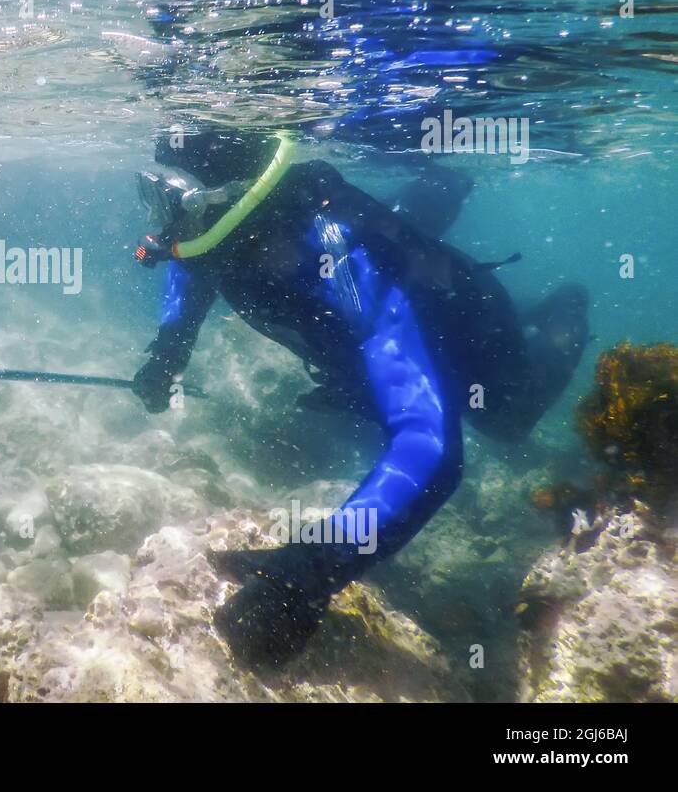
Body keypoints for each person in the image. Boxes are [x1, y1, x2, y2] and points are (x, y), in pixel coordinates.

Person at [131, 127, 589, 666]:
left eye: (169, 199)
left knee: (506, 422)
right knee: (363, 402)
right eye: (154, 191)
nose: (161, 224)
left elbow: (430, 447)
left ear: (231, 200)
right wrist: (168, 351)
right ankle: (439, 195)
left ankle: (563, 314)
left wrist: (310, 571)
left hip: (469, 338)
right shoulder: (218, 235)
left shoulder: (347, 259)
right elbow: (194, 269)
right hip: (367, 342)